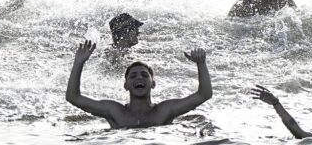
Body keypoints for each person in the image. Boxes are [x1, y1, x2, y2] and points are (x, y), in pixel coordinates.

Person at [65, 40, 212, 129]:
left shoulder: (165, 110)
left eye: (144, 75)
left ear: (153, 84)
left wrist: (201, 64)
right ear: (126, 85)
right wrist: (78, 63)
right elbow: (73, 97)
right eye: (133, 76)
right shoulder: (114, 111)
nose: (138, 78)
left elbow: (204, 94)